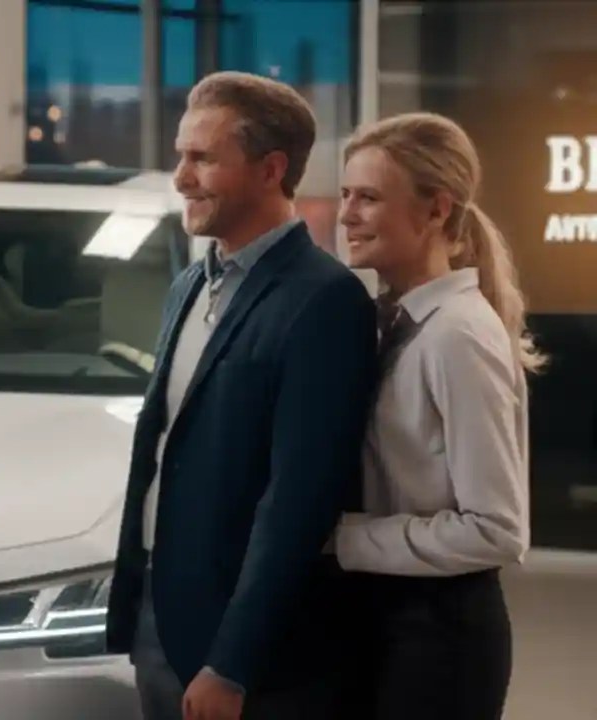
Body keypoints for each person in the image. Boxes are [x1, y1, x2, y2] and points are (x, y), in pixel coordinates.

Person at [105, 71, 379, 720]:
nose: (180, 177)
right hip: (160, 622)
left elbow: (298, 503)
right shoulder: (188, 287)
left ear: (270, 169)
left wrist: (234, 662)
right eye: (181, 156)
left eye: (202, 158)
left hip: (245, 656)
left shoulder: (326, 299)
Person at [334, 112, 536, 720]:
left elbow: (498, 528)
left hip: (439, 637)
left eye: (368, 198)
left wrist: (343, 539)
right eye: (346, 195)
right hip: (394, 621)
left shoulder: (458, 336)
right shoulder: (395, 322)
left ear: (436, 210)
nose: (347, 215)